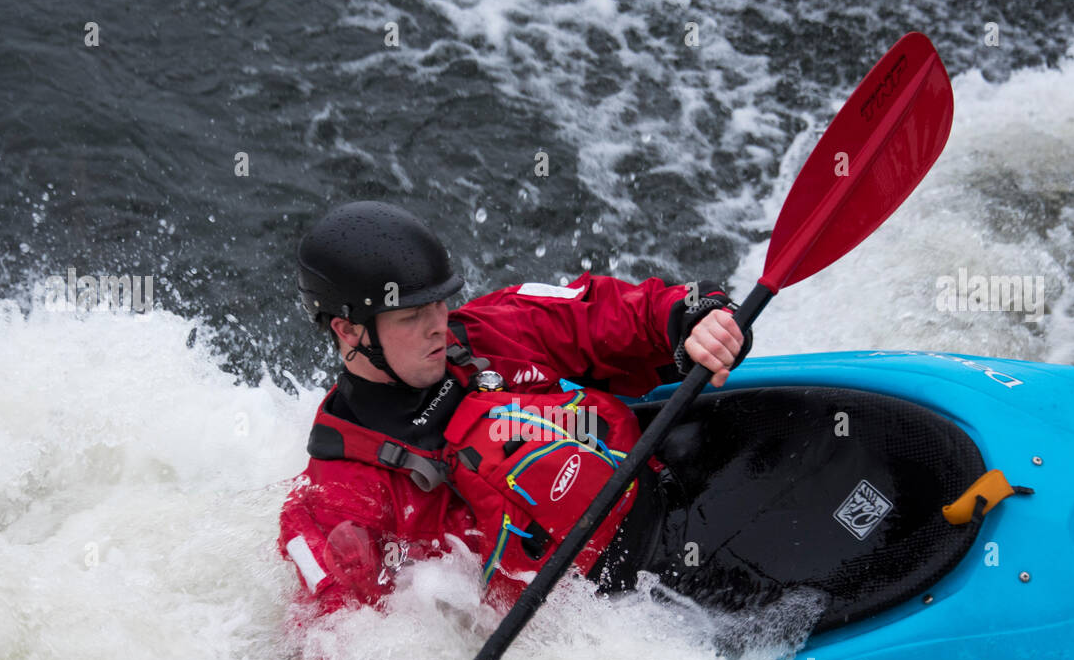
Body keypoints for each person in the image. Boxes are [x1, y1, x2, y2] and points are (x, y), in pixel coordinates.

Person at [277, 200, 750, 619]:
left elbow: (614, 312)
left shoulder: (491, 330)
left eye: (439, 305)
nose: (438, 326)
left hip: (681, 502)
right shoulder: (333, 503)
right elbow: (344, 649)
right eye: (411, 316)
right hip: (616, 623)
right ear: (348, 330)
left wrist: (695, 315)